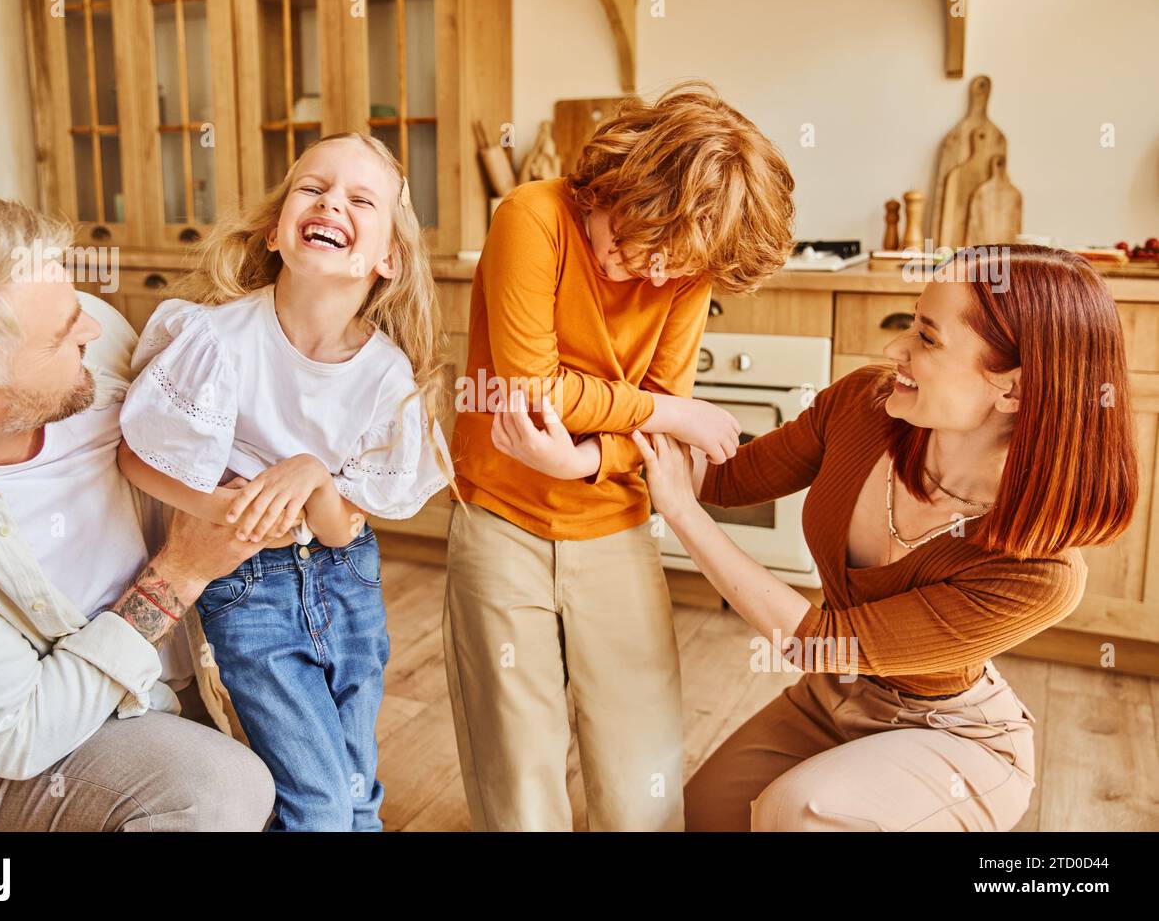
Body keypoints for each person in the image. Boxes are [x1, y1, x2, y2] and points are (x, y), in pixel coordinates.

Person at [633, 245, 1138, 830]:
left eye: (926, 337)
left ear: (1015, 391)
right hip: (830, 699)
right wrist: (628, 422)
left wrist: (681, 515)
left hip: (951, 737)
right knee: (687, 822)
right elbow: (725, 476)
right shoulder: (868, 405)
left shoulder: (1041, 574)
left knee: (797, 813)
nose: (893, 348)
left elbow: (820, 641)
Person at [0, 191, 276, 831]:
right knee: (216, 792)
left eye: (76, 302)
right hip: (24, 746)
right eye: (62, 335)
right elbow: (17, 732)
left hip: (174, 674)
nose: (92, 326)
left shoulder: (99, 340)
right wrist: (182, 572)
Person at [444, 81, 796, 830]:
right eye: (653, 246)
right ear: (634, 180)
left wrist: (581, 464)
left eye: (681, 267)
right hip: (499, 519)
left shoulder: (685, 270)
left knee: (643, 766)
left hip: (614, 520)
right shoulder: (530, 218)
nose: (660, 278)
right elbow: (533, 392)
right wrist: (673, 409)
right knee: (515, 759)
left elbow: (653, 443)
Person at [116, 132, 452, 831]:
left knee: (355, 789)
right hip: (251, 587)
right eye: (314, 187)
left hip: (347, 581)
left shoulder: (387, 375)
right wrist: (227, 508)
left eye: (362, 199)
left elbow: (338, 530)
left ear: (388, 257)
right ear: (276, 230)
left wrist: (309, 477)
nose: (332, 201)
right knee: (319, 802)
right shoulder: (217, 341)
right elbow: (136, 459)